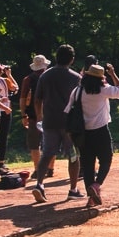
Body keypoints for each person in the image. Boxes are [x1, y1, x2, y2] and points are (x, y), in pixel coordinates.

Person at [30, 44, 84, 203]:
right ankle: (73, 189)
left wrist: (40, 117)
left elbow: (37, 99)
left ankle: (39, 184)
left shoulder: (45, 76)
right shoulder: (76, 78)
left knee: (47, 154)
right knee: (73, 156)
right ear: (72, 59)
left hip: (49, 120)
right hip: (69, 123)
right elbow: (81, 101)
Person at [73, 62, 119, 208]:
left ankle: (92, 198)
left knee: (88, 164)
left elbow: (68, 108)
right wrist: (113, 74)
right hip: (101, 130)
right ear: (101, 77)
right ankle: (96, 185)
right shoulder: (103, 90)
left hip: (83, 132)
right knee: (106, 159)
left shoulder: (78, 90)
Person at [19, 54, 52, 175]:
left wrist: (23, 114)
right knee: (51, 142)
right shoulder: (50, 77)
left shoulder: (28, 79)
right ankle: (50, 168)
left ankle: (38, 169)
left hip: (33, 115)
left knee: (34, 143)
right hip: (50, 114)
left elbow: (23, 98)